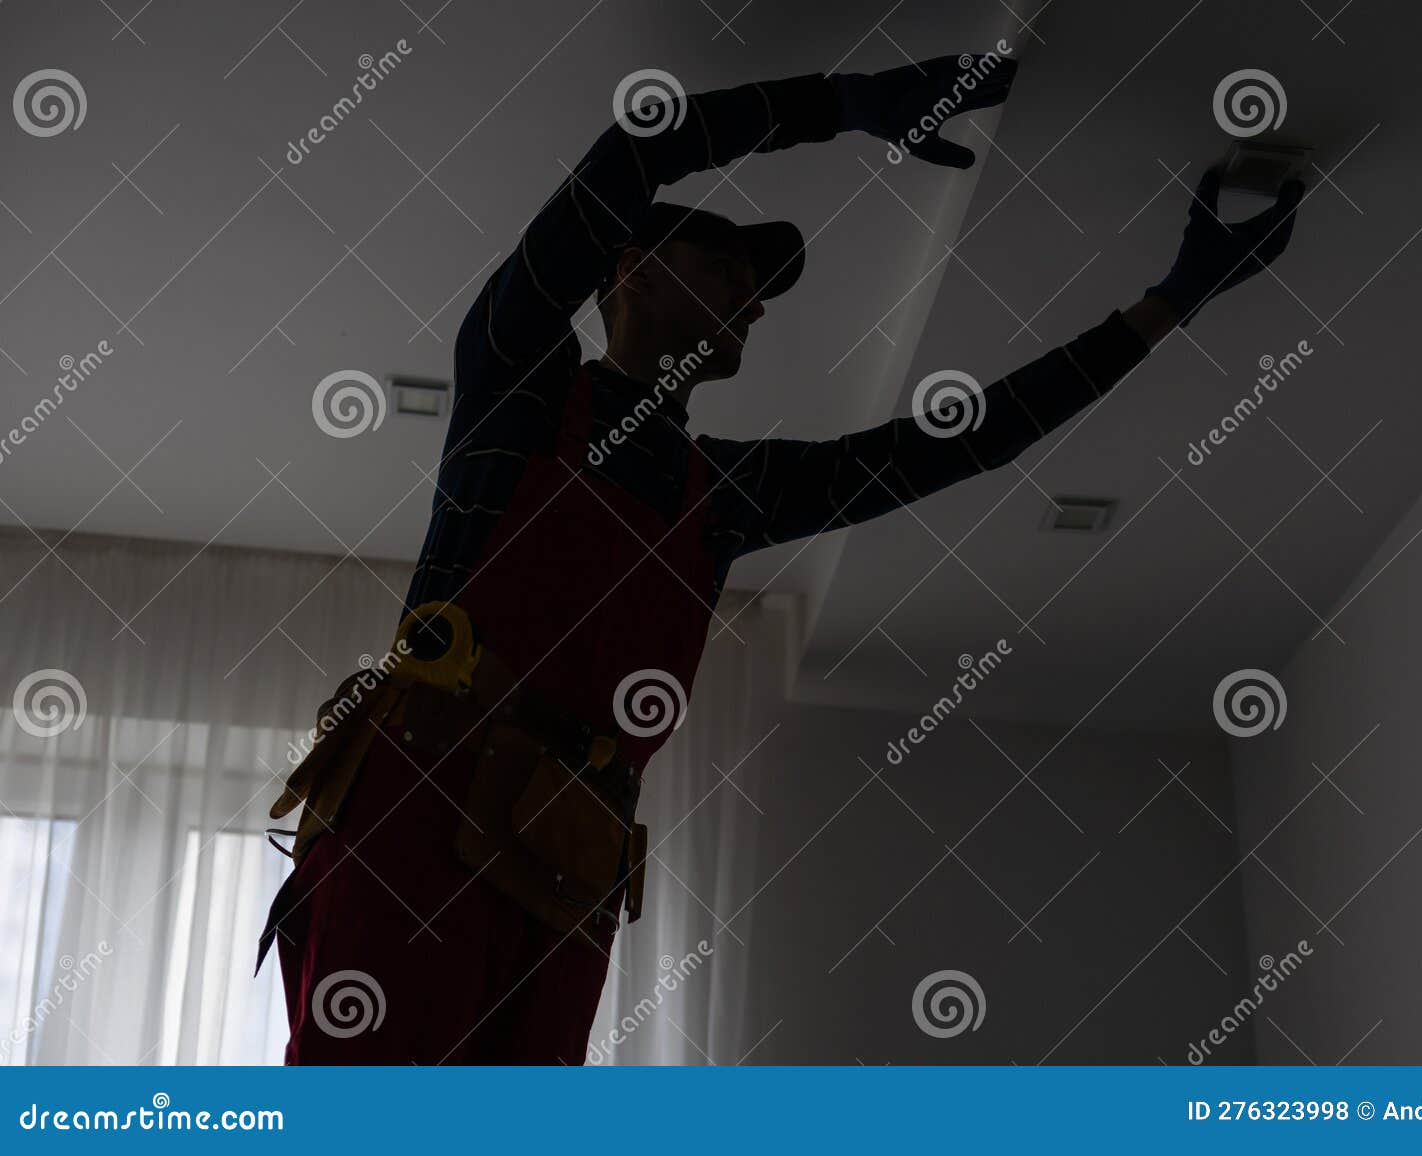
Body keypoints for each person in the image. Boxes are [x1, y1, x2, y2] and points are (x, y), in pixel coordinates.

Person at [256, 54, 1304, 1065]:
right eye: (728, 268)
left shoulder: (724, 496)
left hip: (561, 862)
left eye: (756, 287)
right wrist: (846, 102)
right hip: (424, 793)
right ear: (628, 269)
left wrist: (1173, 301)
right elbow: (632, 151)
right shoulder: (518, 381)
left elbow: (970, 440)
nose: (753, 301)